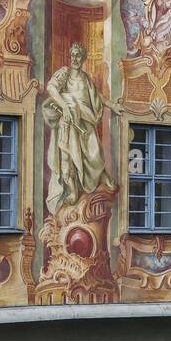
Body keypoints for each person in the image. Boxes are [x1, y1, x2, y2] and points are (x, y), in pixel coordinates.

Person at [41, 43, 120, 213]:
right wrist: (65, 107)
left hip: (85, 121)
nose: (75, 58)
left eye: (78, 55)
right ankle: (71, 190)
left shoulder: (85, 78)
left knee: (95, 155)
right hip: (68, 122)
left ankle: (101, 175)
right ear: (70, 57)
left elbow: (98, 96)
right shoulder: (65, 73)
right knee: (67, 157)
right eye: (73, 55)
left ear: (83, 58)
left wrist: (112, 105)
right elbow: (51, 88)